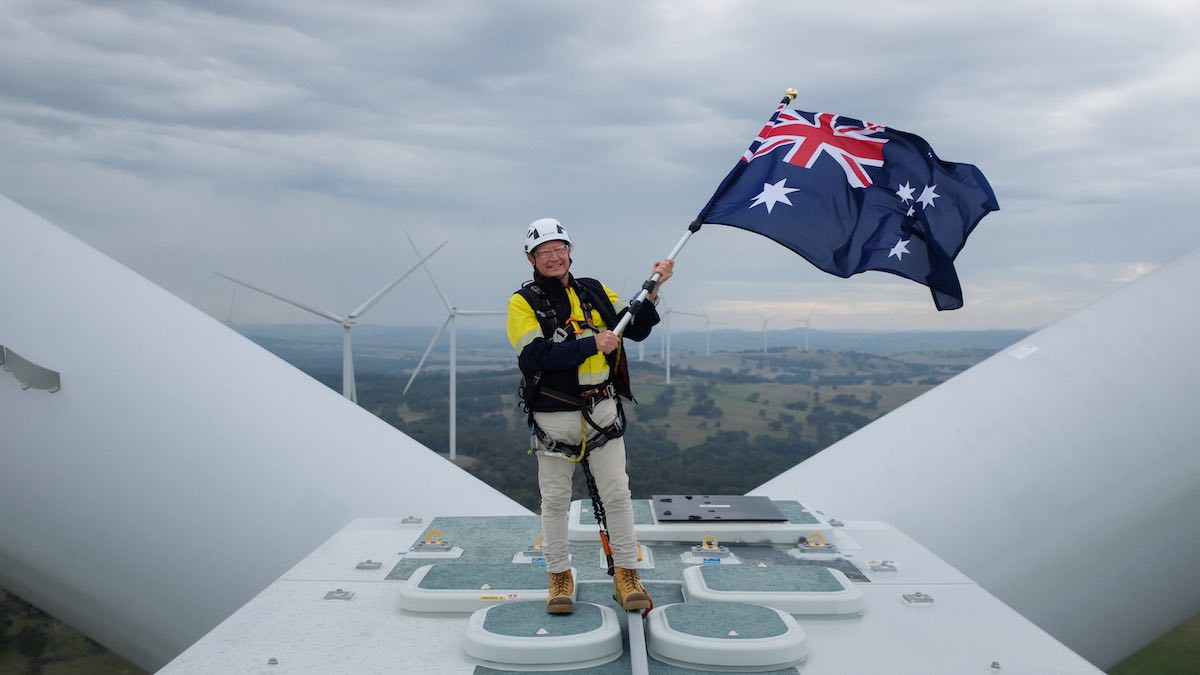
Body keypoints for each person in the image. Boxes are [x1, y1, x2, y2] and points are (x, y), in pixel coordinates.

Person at [507, 217, 674, 615]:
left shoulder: (594, 291)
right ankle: (559, 577)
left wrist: (653, 289)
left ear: (569, 251)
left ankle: (627, 573)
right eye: (544, 252)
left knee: (618, 494)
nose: (553, 257)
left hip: (601, 409)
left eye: (559, 249)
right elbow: (532, 357)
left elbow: (632, 328)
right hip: (554, 415)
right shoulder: (522, 302)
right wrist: (589, 344)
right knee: (555, 500)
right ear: (532, 258)